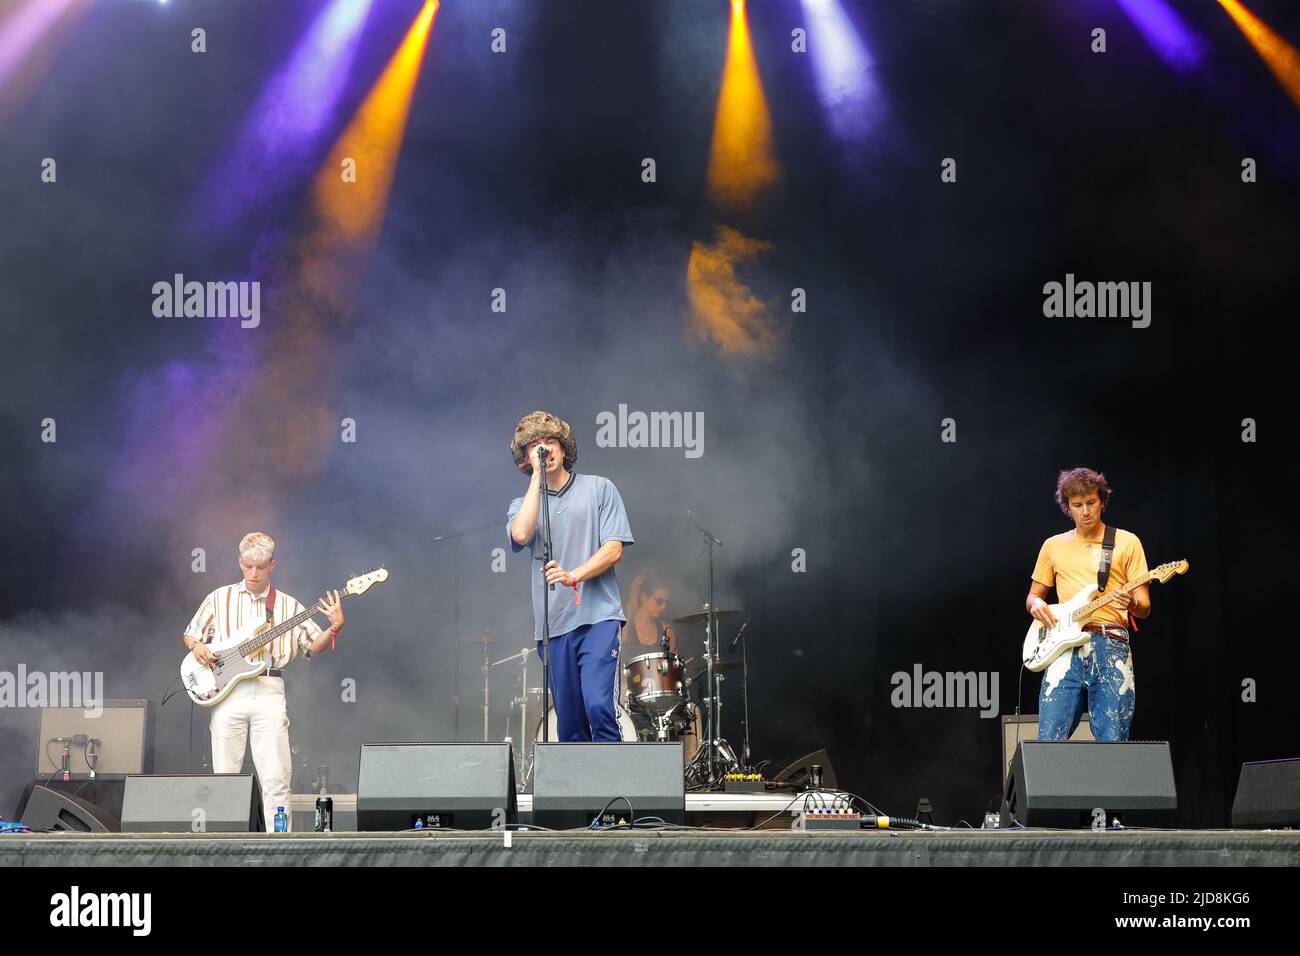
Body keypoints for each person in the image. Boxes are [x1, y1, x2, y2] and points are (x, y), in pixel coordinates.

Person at [182, 532, 343, 830]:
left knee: (276, 777)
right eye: (249, 566)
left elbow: (313, 644)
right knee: (225, 777)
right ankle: (224, 847)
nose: (254, 573)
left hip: (268, 690)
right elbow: (191, 632)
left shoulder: (288, 606)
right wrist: (197, 647)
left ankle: (279, 848)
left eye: (261, 566)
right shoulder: (219, 598)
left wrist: (333, 627)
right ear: (240, 563)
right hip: (226, 694)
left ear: (272, 565)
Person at [506, 411, 634, 742]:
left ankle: (616, 790)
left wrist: (573, 575)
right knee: (569, 724)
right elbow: (520, 535)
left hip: (598, 618)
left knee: (598, 706)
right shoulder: (522, 505)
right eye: (534, 447)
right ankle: (581, 794)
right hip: (553, 626)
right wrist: (536, 476)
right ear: (525, 458)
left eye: (549, 443)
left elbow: (614, 549)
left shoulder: (599, 488)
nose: (543, 451)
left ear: (564, 449)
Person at [1025, 468, 1150, 742]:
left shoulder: (1127, 542)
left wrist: (1131, 603)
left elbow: (1144, 607)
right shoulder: (1053, 546)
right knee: (1049, 739)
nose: (1085, 511)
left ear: (1102, 501)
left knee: (1113, 739)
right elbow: (1033, 596)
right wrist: (1035, 604)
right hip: (1063, 647)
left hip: (1111, 642)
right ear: (1067, 507)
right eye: (1077, 505)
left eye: (1091, 503)